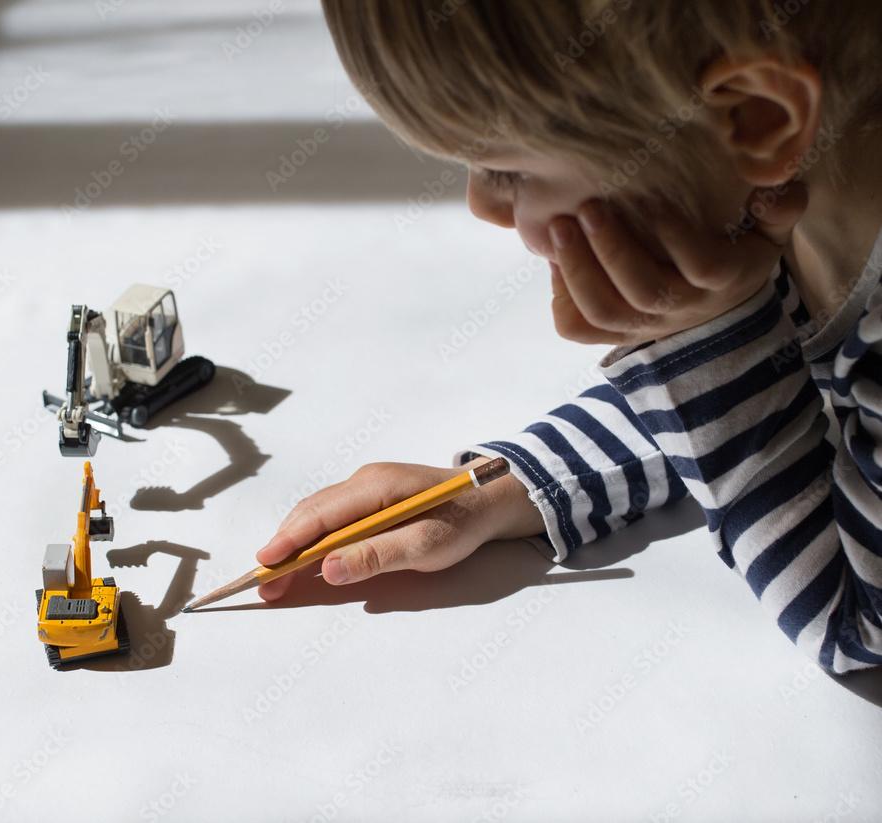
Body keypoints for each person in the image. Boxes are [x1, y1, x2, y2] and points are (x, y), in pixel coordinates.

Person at [256, 0, 882, 674]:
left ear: (758, 120)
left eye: (507, 170)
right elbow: (780, 381)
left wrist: (697, 333)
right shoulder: (789, 198)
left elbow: (852, 621)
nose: (484, 205)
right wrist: (513, 486)